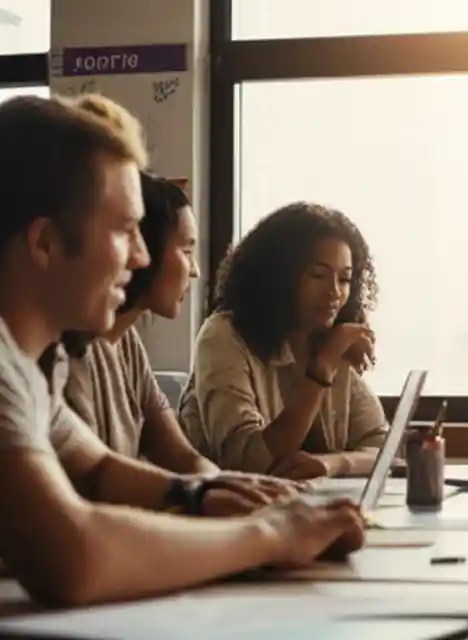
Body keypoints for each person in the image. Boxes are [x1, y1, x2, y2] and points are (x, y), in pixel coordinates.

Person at [0, 94, 363, 608]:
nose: (142, 256)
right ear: (45, 244)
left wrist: (199, 494)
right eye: (126, 231)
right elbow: (75, 558)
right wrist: (274, 535)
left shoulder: (31, 364)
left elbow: (96, 466)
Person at [61, 168, 294, 512]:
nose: (196, 270)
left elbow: (180, 458)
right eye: (186, 251)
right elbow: (88, 506)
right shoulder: (59, 352)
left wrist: (237, 491)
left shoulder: (124, 343)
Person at [180, 203, 388, 480]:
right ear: (279, 275)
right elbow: (247, 461)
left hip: (301, 508)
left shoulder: (328, 338)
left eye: (345, 279)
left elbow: (384, 446)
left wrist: (333, 464)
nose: (335, 292)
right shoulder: (223, 336)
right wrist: (322, 369)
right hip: (227, 510)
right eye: (318, 275)